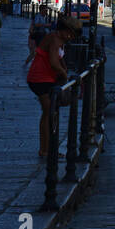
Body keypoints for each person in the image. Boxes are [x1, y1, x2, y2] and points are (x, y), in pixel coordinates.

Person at [26, 14, 79, 158]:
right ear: (64, 30)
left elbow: (59, 60)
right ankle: (46, 150)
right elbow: (54, 63)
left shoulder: (59, 39)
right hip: (40, 79)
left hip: (46, 79)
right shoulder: (55, 40)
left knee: (50, 114)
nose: (71, 37)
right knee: (49, 114)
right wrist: (64, 75)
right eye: (70, 34)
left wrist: (64, 70)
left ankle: (48, 148)